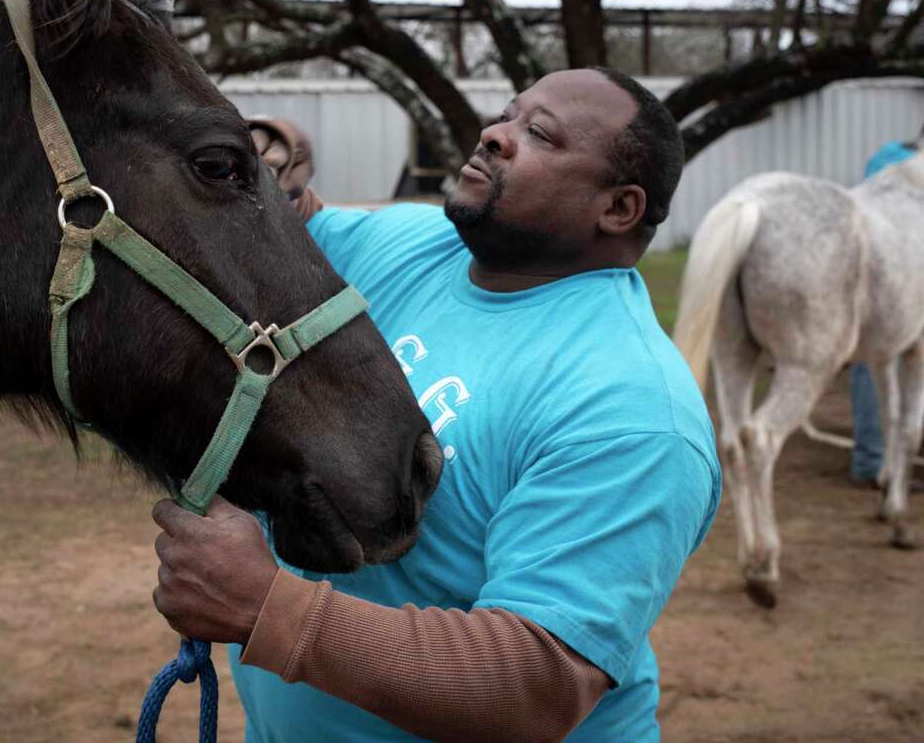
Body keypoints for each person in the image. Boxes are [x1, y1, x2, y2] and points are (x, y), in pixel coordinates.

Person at [150, 68, 721, 742]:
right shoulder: (412, 244)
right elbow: (275, 222)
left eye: (539, 134)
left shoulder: (630, 410)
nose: (495, 136)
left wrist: (265, 607)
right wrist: (268, 150)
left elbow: (534, 684)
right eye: (506, 115)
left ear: (619, 209)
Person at [848, 134, 921, 486]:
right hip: (889, 281)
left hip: (881, 277)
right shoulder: (897, 162)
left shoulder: (886, 157)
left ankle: (877, 458)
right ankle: (873, 459)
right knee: (874, 363)